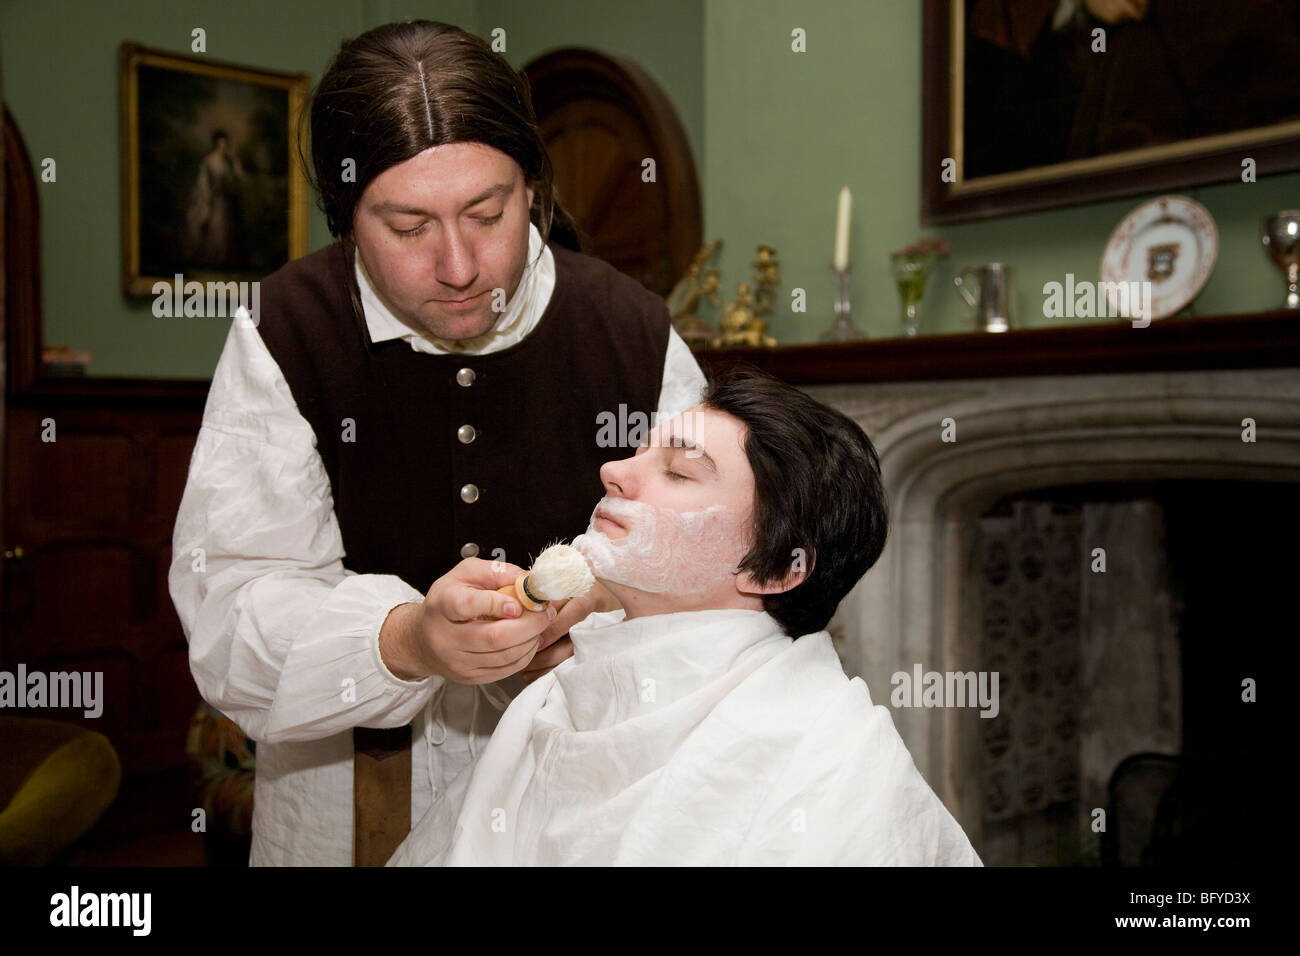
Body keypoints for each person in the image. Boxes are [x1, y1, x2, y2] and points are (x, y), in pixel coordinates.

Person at [168, 20, 705, 866]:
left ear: (533, 189)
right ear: (347, 217)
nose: (459, 266)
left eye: (487, 213)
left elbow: (710, 573)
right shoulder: (287, 332)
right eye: (408, 225)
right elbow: (231, 609)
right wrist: (406, 640)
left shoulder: (630, 331)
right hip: (351, 804)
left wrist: (600, 613)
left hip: (583, 800)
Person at [387, 369, 982, 866]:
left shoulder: (832, 766)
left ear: (776, 569)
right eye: (641, 451)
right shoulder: (556, 694)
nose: (614, 470)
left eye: (677, 472)